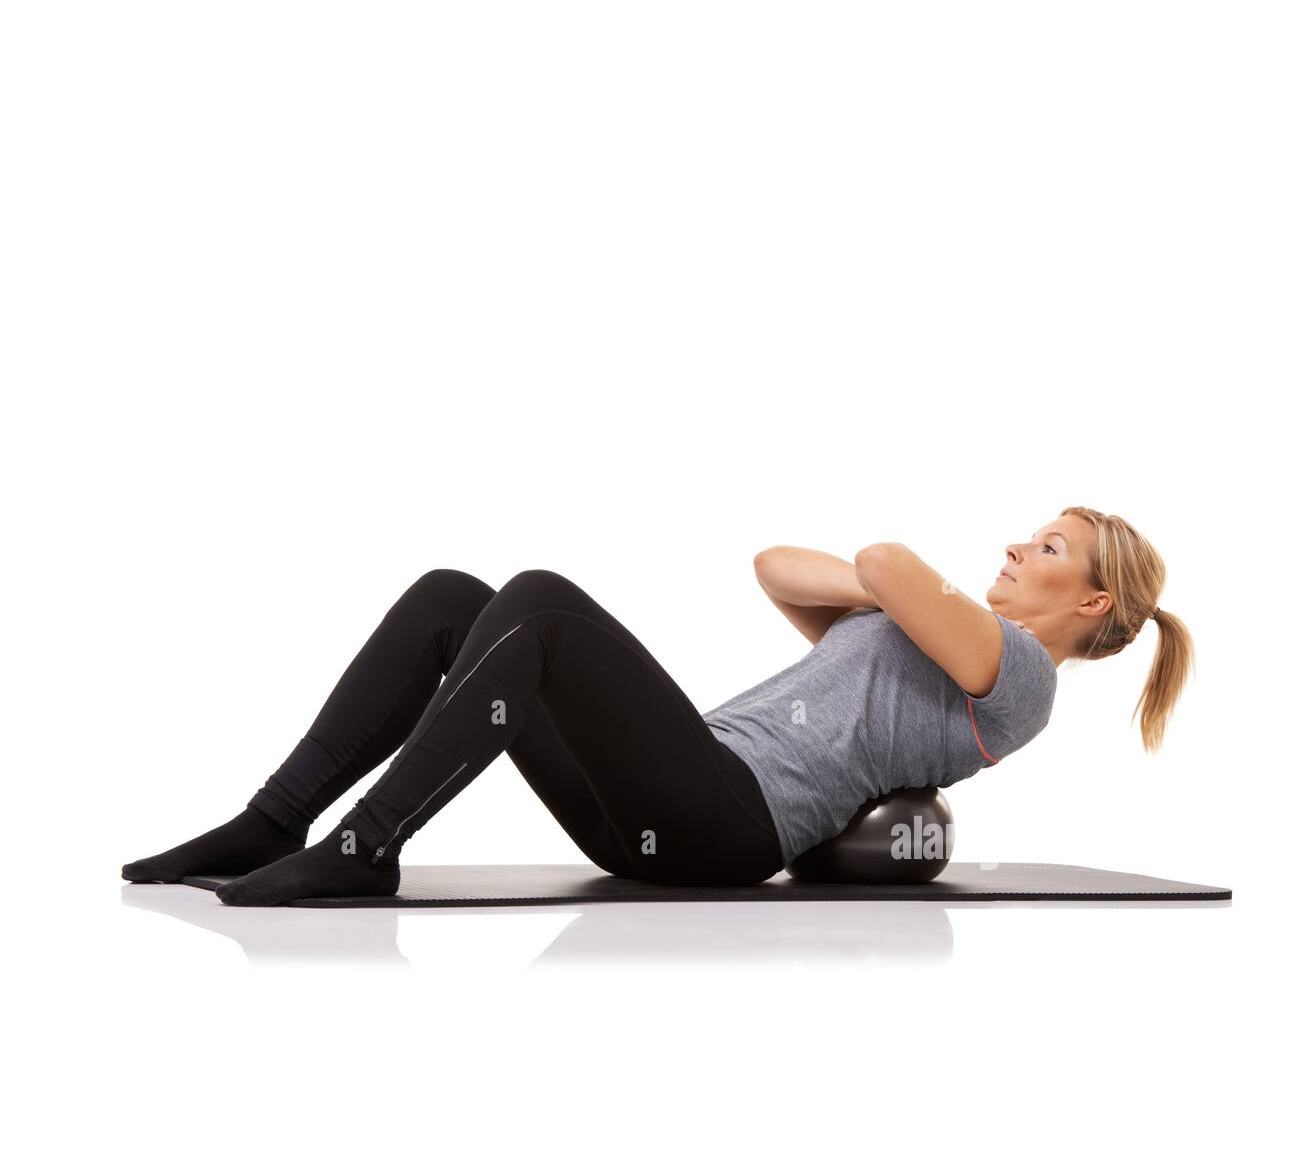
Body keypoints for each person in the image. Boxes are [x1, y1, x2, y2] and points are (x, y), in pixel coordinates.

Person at [122, 505, 1193, 905]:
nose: (1013, 546)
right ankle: (275, 816)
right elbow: (777, 565)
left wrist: (887, 589)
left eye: (1045, 547)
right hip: (673, 791)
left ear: (1091, 600)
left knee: (537, 603)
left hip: (725, 821)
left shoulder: (1020, 673)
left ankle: (365, 844)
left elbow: (878, 556)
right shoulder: (938, 639)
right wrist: (886, 599)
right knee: (461, 600)